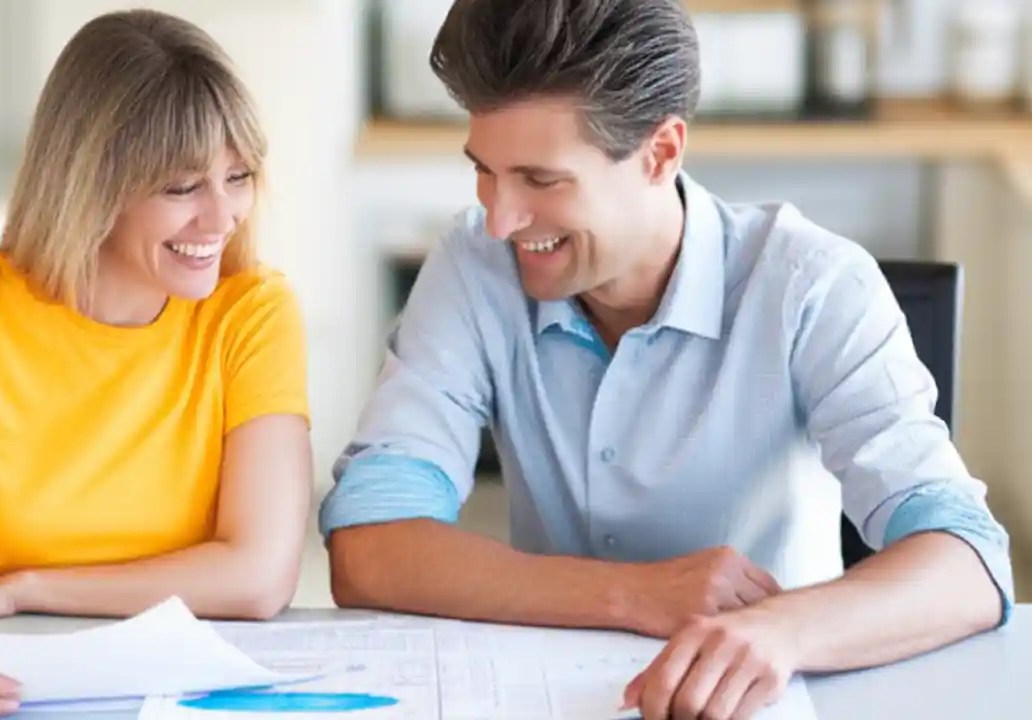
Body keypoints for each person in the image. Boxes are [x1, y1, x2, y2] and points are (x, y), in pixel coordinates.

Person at [321, 1, 1013, 718]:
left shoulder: (814, 285)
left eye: (541, 180)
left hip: (773, 697)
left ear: (660, 153)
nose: (500, 218)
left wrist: (776, 633)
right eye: (485, 173)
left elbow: (967, 560)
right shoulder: (474, 267)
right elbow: (371, 548)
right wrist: (637, 593)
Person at [0, 10, 312, 720]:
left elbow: (258, 577)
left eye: (239, 176)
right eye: (182, 187)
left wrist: (27, 588)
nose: (221, 218)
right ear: (95, 183)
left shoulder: (251, 312)